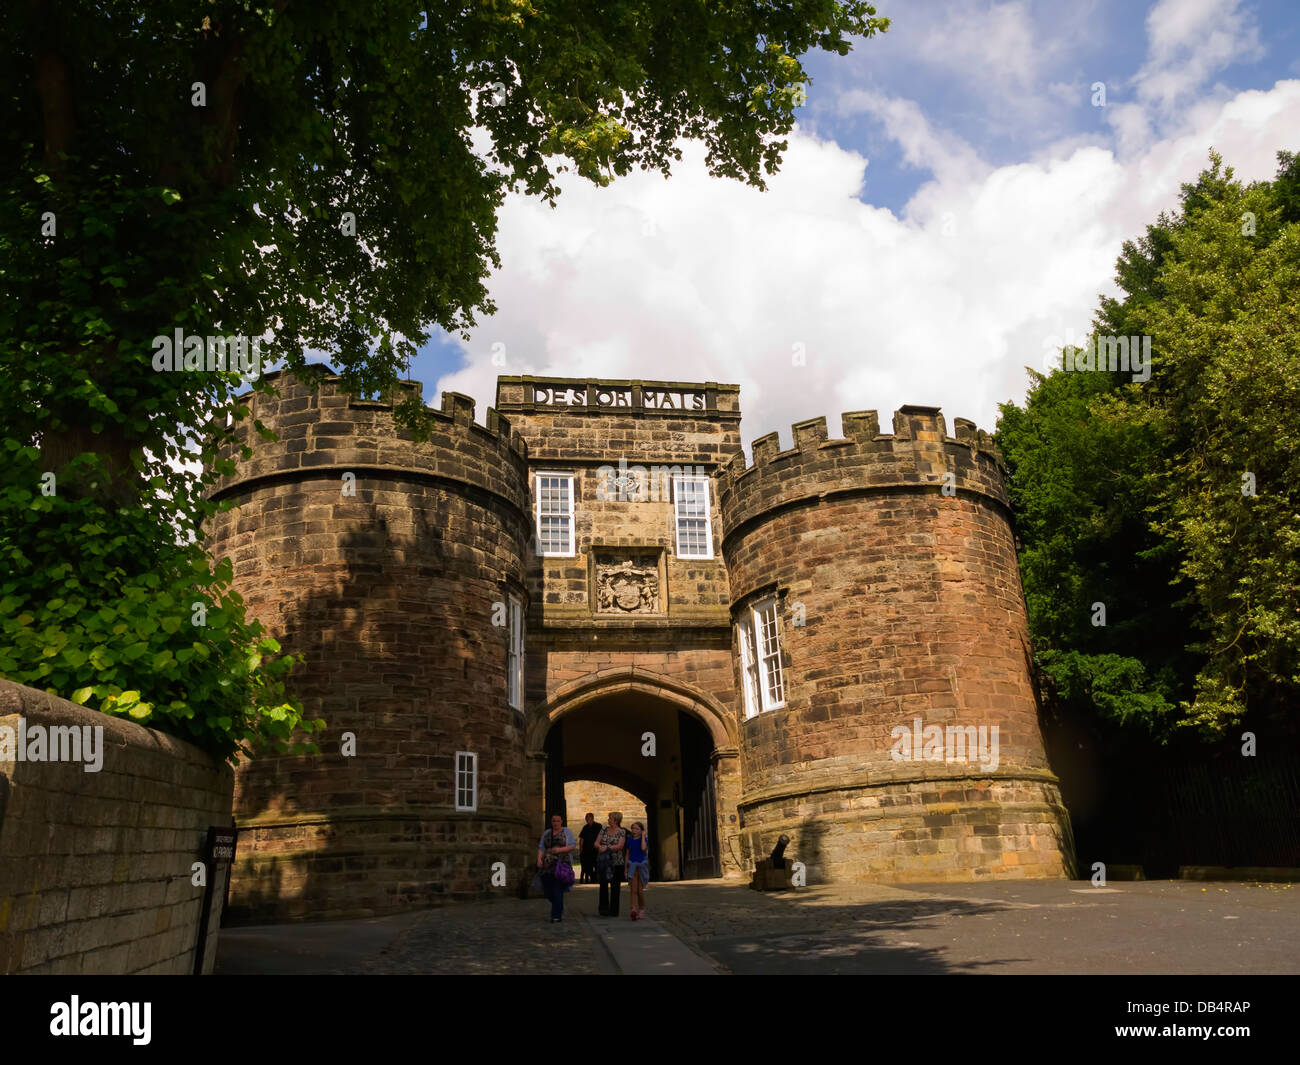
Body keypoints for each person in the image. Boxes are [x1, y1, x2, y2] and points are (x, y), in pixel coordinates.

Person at [536, 813, 576, 923]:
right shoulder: (547, 833)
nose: (555, 823)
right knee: (547, 890)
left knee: (557, 889)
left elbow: (572, 845)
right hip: (547, 865)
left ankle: (556, 915)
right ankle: (558, 905)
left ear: (561, 821)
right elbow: (541, 847)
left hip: (561, 864)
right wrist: (539, 859)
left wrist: (559, 850)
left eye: (558, 821)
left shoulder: (566, 832)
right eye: (553, 821)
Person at [595, 811, 627, 917]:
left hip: (616, 862)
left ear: (616, 820)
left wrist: (607, 848)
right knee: (603, 885)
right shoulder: (603, 829)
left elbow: (620, 846)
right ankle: (603, 909)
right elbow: (596, 842)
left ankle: (614, 910)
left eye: (610, 818)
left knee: (615, 886)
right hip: (604, 861)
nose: (608, 820)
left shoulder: (621, 831)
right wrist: (600, 847)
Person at [625, 822, 650, 920]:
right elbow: (627, 854)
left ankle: (641, 908)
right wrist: (625, 869)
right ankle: (633, 910)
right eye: (633, 829)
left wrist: (643, 836)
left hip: (641, 866)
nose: (634, 831)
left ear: (641, 830)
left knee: (640, 891)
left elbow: (643, 848)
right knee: (633, 890)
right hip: (632, 866)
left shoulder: (644, 839)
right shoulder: (629, 840)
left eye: (637, 829)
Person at [577, 812, 602, 884]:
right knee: (588, 865)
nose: (587, 820)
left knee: (596, 864)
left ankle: (596, 878)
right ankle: (592, 878)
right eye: (586, 819)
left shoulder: (598, 826)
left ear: (592, 818)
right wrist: (581, 849)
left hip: (595, 849)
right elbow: (582, 839)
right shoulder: (585, 827)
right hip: (587, 850)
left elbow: (601, 837)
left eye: (589, 818)